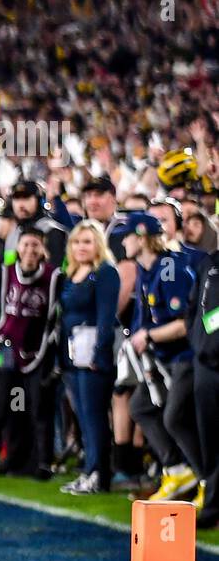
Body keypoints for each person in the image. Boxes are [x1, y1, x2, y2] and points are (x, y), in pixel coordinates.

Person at [118, 212, 203, 501]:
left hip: (185, 356)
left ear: (141, 238)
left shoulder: (169, 267)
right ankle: (177, 468)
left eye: (127, 235)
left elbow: (183, 324)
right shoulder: (147, 269)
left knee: (176, 417)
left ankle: (204, 478)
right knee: (140, 406)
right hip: (162, 358)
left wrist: (149, 336)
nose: (123, 242)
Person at [0, 227, 61, 480]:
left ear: (43, 249)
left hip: (37, 352)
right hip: (7, 350)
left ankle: (43, 462)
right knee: (6, 405)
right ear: (17, 248)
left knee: (37, 408)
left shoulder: (54, 277)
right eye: (25, 245)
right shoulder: (5, 273)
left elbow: (55, 319)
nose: (30, 251)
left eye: (35, 245)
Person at [57, 220, 121, 493]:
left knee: (94, 416)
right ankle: (89, 471)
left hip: (93, 355)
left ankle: (99, 474)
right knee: (82, 416)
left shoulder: (105, 272)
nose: (81, 247)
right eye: (76, 242)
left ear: (98, 244)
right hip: (72, 354)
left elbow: (107, 317)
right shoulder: (71, 273)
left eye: (87, 241)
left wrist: (99, 352)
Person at [187, 245, 219, 527]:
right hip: (205, 366)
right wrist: (198, 344)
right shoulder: (208, 263)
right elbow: (194, 307)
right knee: (209, 438)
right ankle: (211, 505)